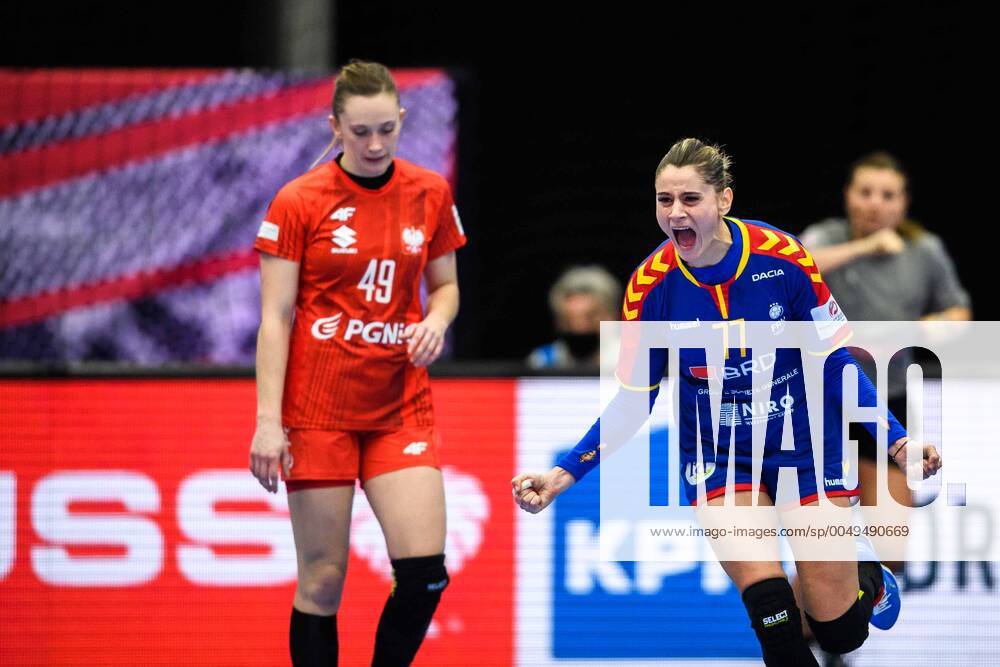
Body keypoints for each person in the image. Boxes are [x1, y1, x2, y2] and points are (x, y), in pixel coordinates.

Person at [511, 138, 942, 666]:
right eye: (664, 200)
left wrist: (897, 443)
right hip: (720, 456)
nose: (675, 213)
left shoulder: (783, 258)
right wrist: (563, 474)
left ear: (724, 200)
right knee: (774, 619)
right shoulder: (650, 288)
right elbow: (634, 401)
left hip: (806, 447)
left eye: (690, 199)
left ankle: (868, 577)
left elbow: (836, 363)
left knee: (840, 633)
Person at [249, 60, 466, 667]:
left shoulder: (429, 192)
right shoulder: (299, 200)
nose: (374, 144)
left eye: (386, 130)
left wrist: (436, 321)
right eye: (360, 131)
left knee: (425, 574)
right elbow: (275, 318)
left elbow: (446, 287)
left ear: (402, 120)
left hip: (399, 406)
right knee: (322, 580)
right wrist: (268, 422)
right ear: (335, 127)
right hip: (317, 410)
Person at [800, 151, 970, 523]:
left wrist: (927, 328)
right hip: (823, 400)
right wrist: (867, 246)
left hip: (887, 399)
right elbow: (796, 267)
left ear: (903, 202)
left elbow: (958, 311)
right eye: (865, 192)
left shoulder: (924, 250)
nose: (875, 203)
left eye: (887, 195)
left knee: (890, 536)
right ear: (848, 195)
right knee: (824, 534)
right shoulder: (825, 237)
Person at [526, 265, 622, 370]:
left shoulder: (628, 361)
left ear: (612, 316)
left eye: (591, 317)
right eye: (569, 319)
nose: (579, 328)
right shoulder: (542, 361)